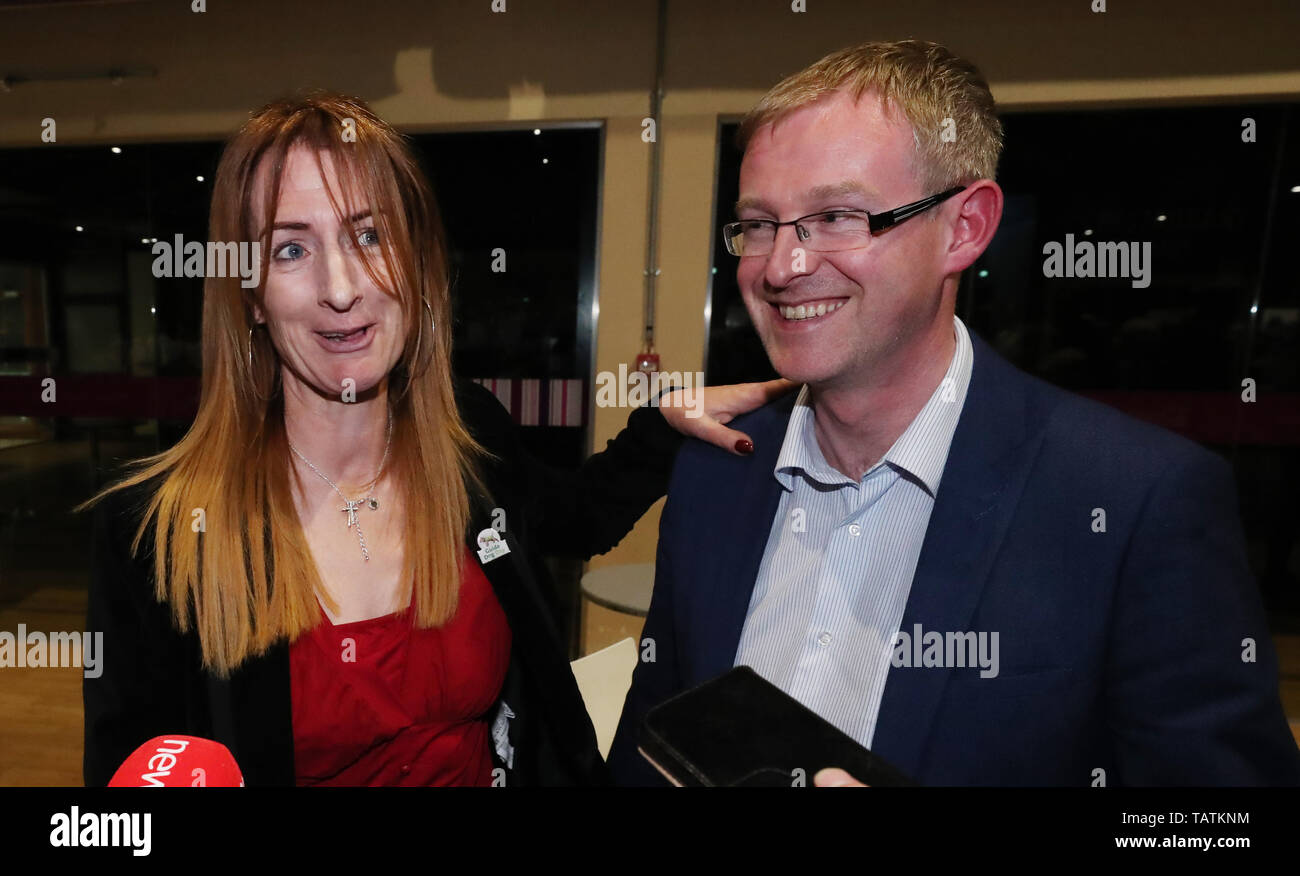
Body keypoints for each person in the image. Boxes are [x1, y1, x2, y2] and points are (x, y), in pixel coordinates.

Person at [609, 39, 1300, 786]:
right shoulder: (718, 471)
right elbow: (648, 755)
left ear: (964, 227)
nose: (781, 267)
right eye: (760, 223)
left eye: (837, 215)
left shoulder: (1135, 502)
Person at [80, 91, 789, 787]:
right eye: (291, 248)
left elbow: (578, 517)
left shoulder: (467, 436)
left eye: (368, 235)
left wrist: (662, 425)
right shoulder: (154, 533)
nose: (341, 287)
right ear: (249, 295)